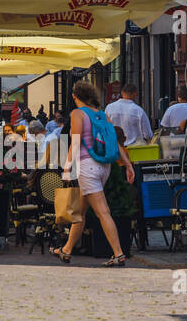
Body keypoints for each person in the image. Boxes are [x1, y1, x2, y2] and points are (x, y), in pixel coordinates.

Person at [52, 80, 135, 267]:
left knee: (102, 212)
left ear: (74, 96)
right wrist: (128, 164)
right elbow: (114, 141)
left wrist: (67, 167)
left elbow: (75, 141)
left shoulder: (77, 114)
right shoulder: (102, 114)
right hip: (104, 167)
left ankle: (118, 253)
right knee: (80, 212)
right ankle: (66, 249)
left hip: (87, 166)